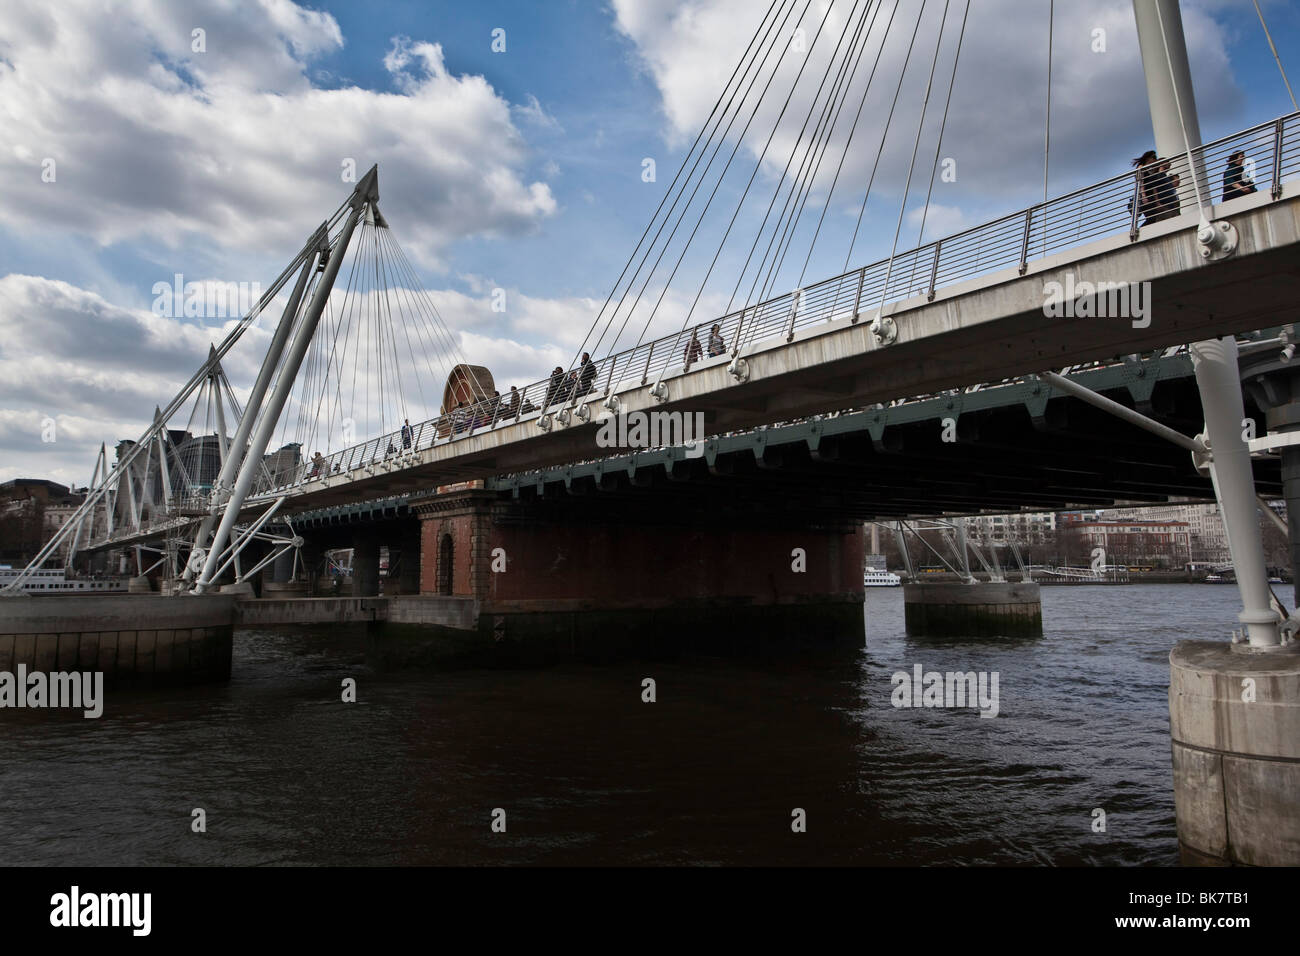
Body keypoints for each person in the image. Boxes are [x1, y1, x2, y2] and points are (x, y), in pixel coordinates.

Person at [1131, 150, 1180, 225]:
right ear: (1148, 158)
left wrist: (1157, 201)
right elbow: (1140, 182)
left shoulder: (1150, 170)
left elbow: (1154, 186)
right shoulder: (1141, 167)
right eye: (1154, 157)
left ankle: (1143, 230)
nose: (1155, 160)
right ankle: (1141, 230)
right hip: (1146, 195)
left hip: (1150, 196)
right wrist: (1143, 195)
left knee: (1154, 218)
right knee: (1152, 217)